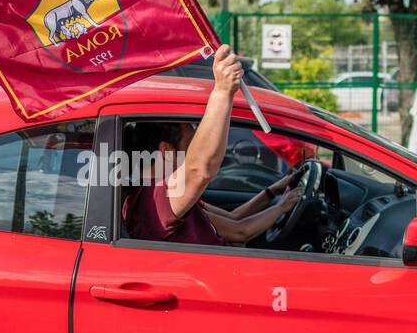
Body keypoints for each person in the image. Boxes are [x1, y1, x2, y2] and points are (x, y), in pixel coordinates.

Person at [123, 45, 302, 245]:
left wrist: (272, 193)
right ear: (166, 151)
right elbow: (200, 171)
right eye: (191, 145)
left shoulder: (169, 193)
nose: (196, 151)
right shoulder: (156, 198)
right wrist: (223, 91)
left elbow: (234, 221)